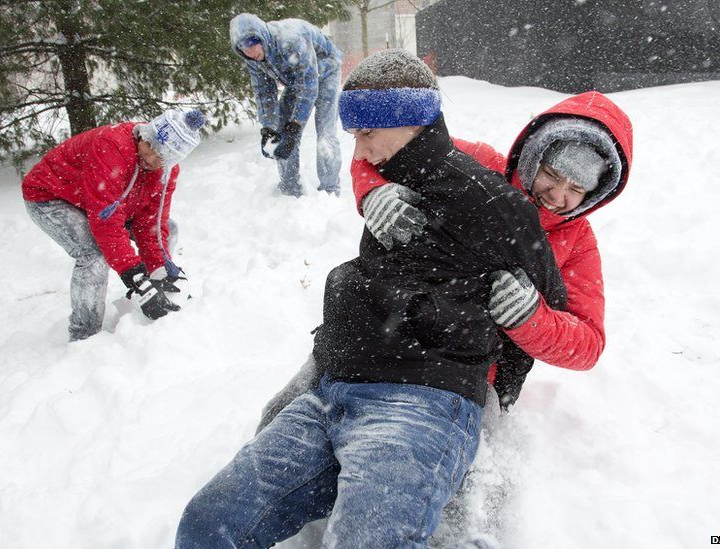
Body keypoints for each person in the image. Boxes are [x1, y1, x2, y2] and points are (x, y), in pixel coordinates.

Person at [175, 50, 566, 548]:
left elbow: (551, 309)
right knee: (209, 522)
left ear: (410, 123)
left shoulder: (492, 204)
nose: (359, 154)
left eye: (364, 134)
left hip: (424, 399)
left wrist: (502, 379)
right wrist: (370, 194)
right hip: (331, 389)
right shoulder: (389, 182)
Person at [257, 91, 632, 430]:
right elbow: (384, 148)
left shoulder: (578, 243)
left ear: (595, 194)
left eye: (577, 189)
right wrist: (374, 193)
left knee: (446, 474)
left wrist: (531, 320)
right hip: (390, 324)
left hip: (472, 370)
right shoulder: (477, 164)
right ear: (534, 157)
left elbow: (587, 344)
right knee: (283, 417)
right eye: (551, 175)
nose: (558, 195)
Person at [22, 108, 205, 341]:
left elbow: (152, 224)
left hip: (102, 203)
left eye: (161, 158)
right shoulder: (111, 147)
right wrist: (135, 277)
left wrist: (160, 271)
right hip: (52, 196)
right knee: (93, 255)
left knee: (170, 229)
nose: (151, 159)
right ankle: (84, 337)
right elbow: (106, 222)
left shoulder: (165, 172)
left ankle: (154, 294)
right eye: (150, 147)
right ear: (145, 135)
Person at [229, 13, 343, 197]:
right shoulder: (252, 59)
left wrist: (296, 124)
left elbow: (309, 85)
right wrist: (268, 127)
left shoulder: (291, 39)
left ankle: (330, 190)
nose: (250, 50)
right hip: (297, 80)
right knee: (282, 131)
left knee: (325, 133)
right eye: (243, 47)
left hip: (326, 71)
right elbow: (263, 92)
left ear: (261, 35)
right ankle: (290, 187)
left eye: (252, 41)